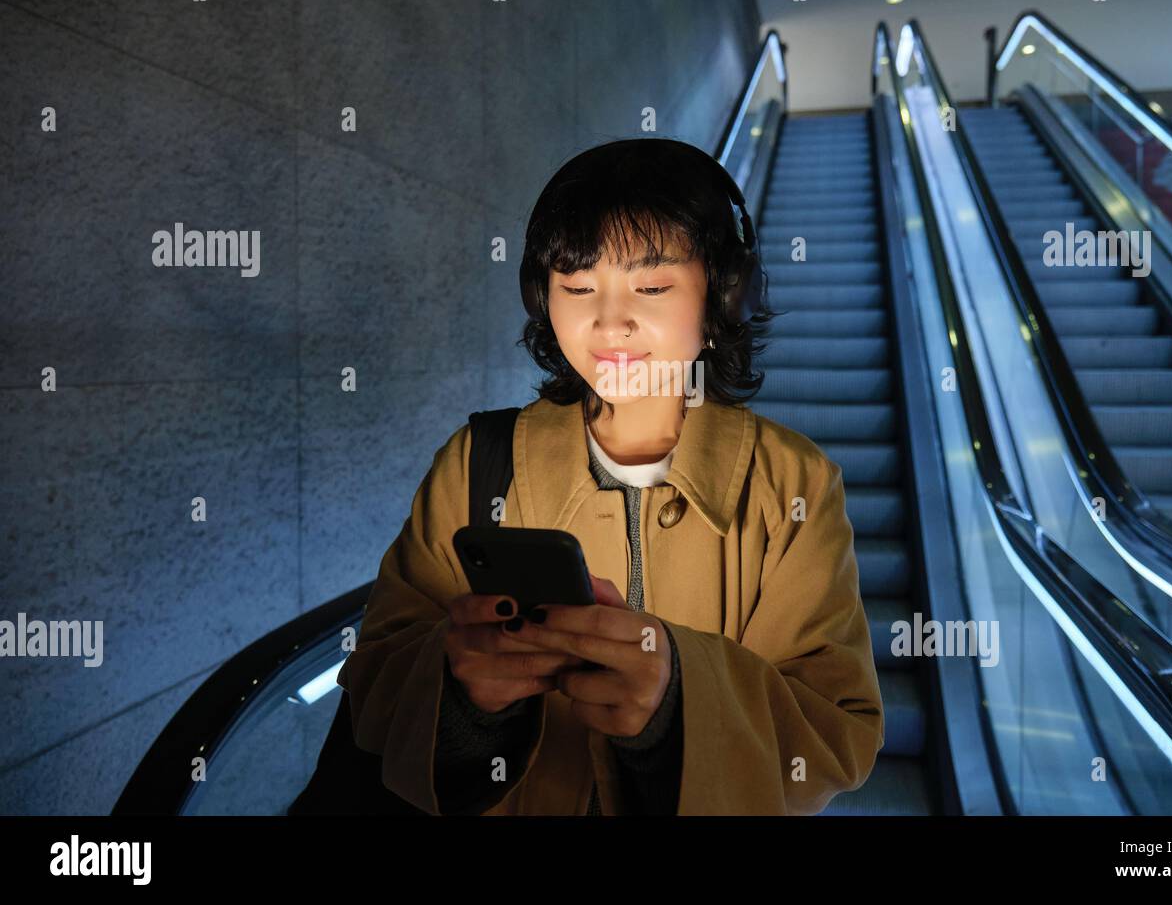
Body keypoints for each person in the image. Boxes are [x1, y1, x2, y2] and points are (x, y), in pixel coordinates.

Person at [336, 136, 885, 814]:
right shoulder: (477, 461)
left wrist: (676, 701)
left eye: (651, 286)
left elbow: (834, 732)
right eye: (577, 286)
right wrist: (462, 694)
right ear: (543, 300)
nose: (609, 322)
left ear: (727, 296)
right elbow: (376, 679)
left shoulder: (793, 484)